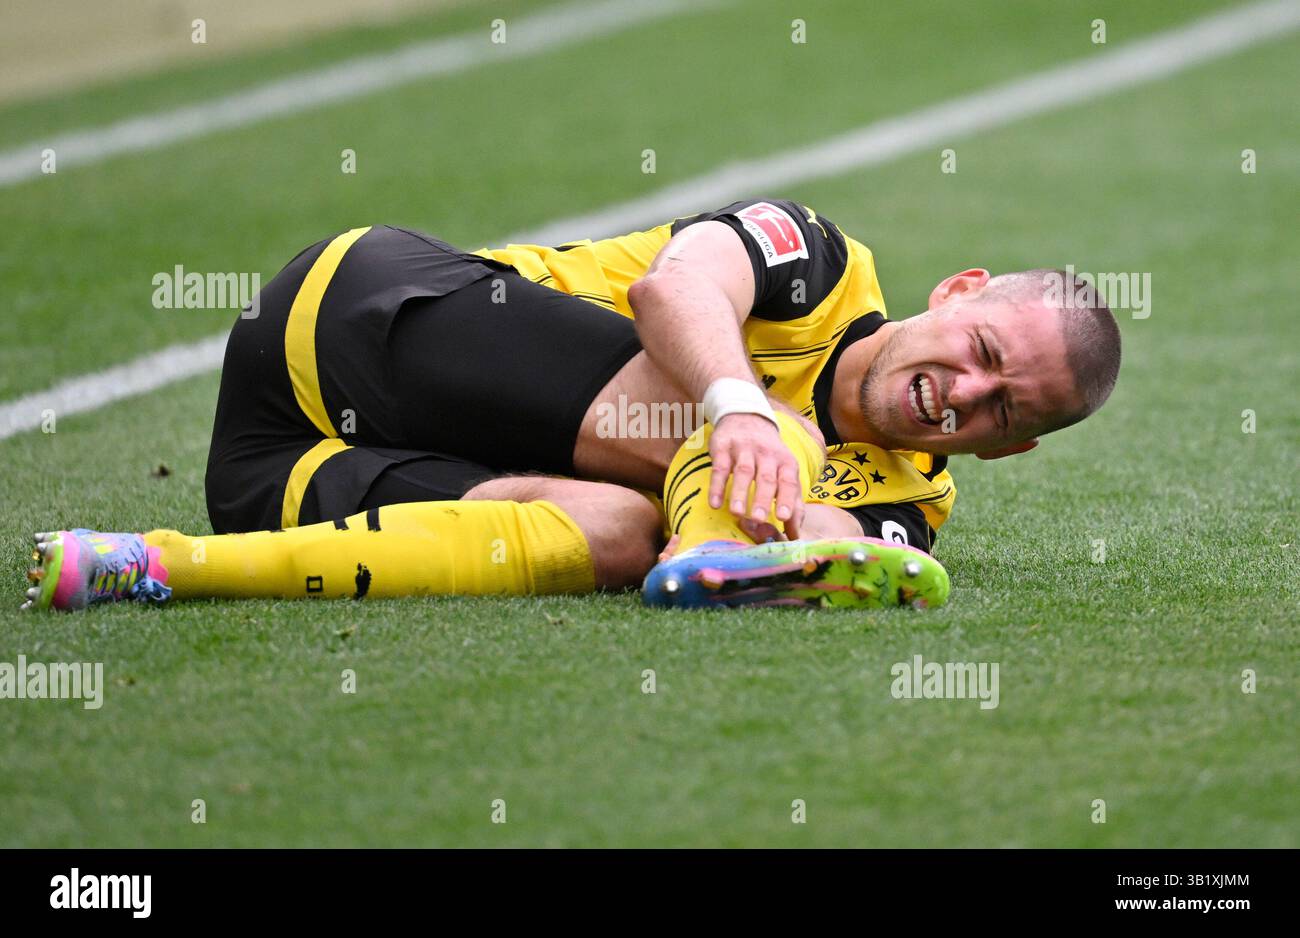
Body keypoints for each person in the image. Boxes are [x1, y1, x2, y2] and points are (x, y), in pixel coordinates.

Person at [21, 199, 1119, 611]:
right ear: (957, 291)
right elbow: (673, 288)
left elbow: (827, 540)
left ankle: (146, 563)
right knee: (745, 427)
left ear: (1011, 448)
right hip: (364, 317)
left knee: (625, 533)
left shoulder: (911, 511)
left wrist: (779, 534)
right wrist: (741, 409)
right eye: (981, 351)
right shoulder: (819, 260)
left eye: (997, 407)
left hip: (278, 479)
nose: (961, 393)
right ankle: (713, 516)